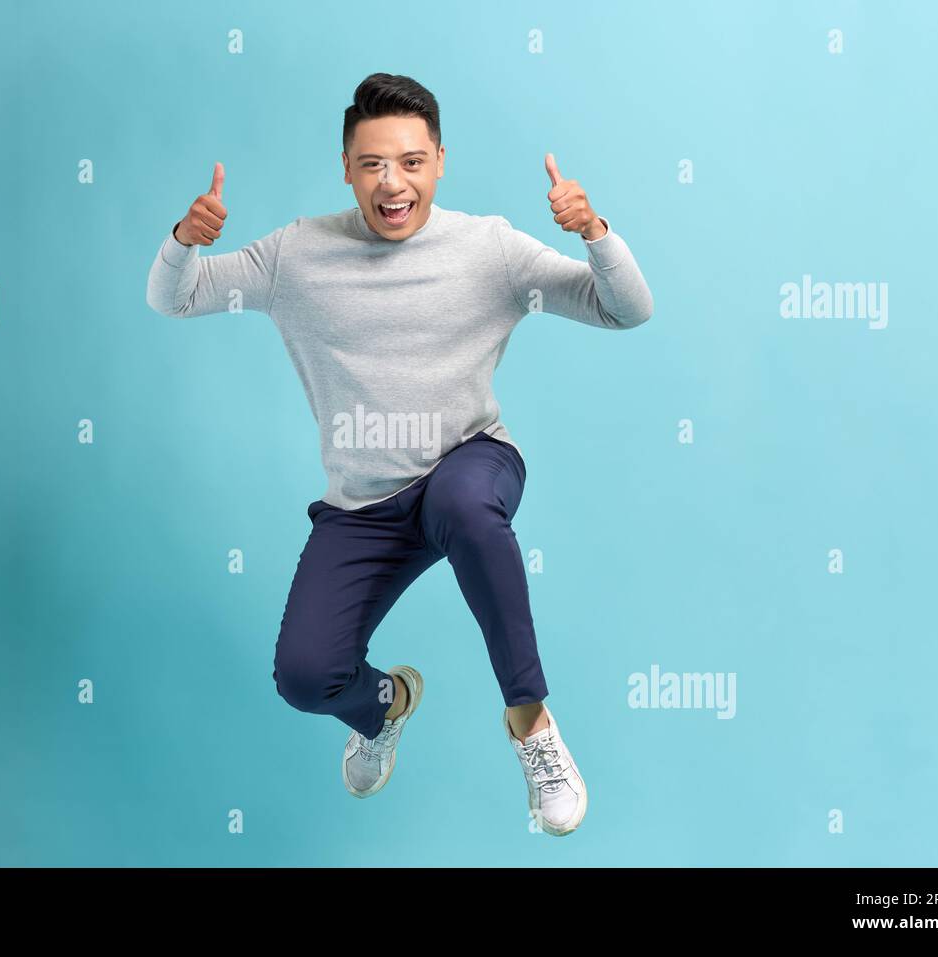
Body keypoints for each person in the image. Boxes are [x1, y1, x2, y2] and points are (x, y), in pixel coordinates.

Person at [146, 73, 654, 836]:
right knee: (305, 677)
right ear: (345, 167)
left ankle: (531, 724)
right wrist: (184, 243)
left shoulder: (489, 248)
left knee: (462, 504)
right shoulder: (298, 254)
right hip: (364, 509)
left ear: (439, 162)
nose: (393, 183)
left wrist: (595, 232)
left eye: (412, 162)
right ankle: (386, 707)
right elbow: (174, 298)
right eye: (374, 163)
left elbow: (627, 308)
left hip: (469, 464)